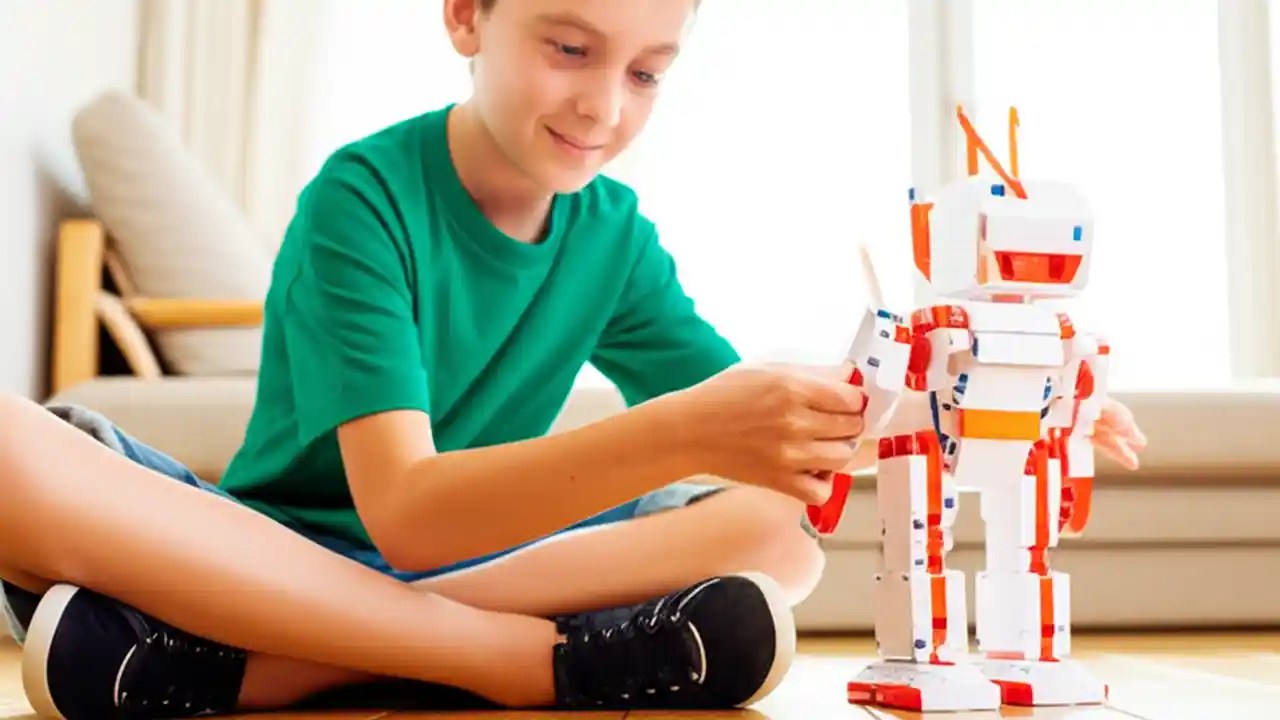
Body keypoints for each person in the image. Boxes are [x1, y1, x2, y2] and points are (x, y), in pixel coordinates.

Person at [0, 0, 1147, 718]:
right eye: (567, 47)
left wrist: (996, 402)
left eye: (647, 70)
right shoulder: (364, 197)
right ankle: (509, 661)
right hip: (275, 545)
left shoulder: (611, 236)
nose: (603, 104)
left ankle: (267, 664)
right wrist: (686, 429)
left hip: (458, 568)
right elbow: (403, 516)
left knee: (771, 530)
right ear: (464, 16)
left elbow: (775, 438)